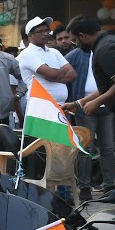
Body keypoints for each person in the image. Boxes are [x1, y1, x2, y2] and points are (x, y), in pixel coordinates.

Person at [64, 16, 115, 195]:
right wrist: (79, 103)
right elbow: (109, 86)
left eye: (74, 39)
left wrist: (97, 102)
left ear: (82, 36)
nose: (75, 44)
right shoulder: (106, 44)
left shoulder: (106, 49)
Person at [17, 16, 79, 201]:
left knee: (62, 152)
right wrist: (56, 74)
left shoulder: (53, 52)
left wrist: (53, 75)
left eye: (47, 30)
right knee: (45, 153)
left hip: (60, 108)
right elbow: (52, 74)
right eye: (41, 31)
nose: (46, 34)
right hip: (41, 109)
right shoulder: (28, 54)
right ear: (30, 35)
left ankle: (64, 195)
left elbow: (72, 73)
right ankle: (47, 197)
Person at [63, 27, 114, 200]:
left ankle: (110, 186)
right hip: (83, 107)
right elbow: (66, 81)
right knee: (85, 148)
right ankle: (84, 187)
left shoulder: (106, 51)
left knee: (107, 147)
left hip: (107, 105)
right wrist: (74, 103)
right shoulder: (75, 55)